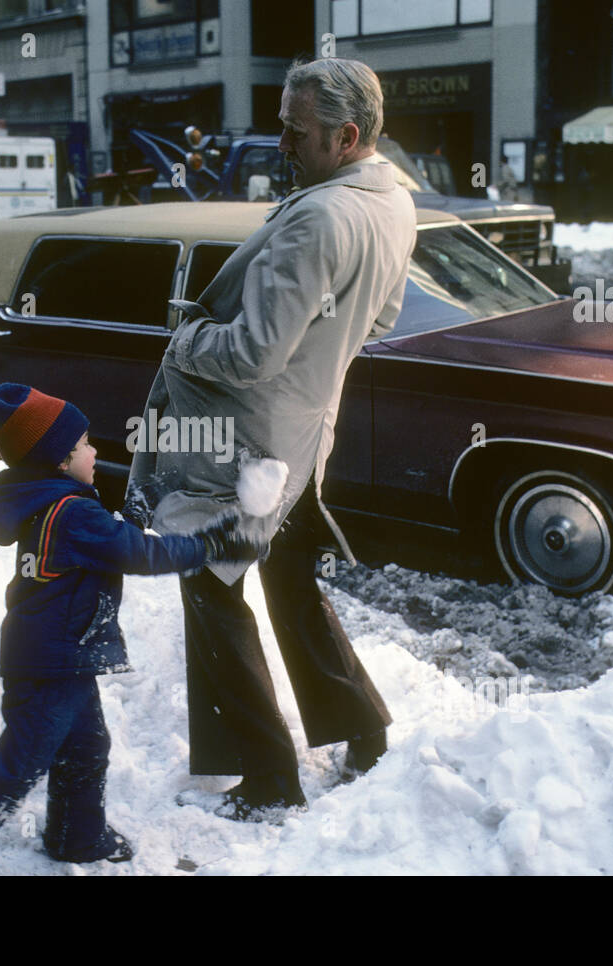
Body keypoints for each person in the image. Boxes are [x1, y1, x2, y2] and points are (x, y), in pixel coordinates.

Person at [125, 58, 415, 820]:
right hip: (301, 435)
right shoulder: (391, 201)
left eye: (296, 130)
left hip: (243, 447)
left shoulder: (322, 216)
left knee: (209, 586)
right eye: (282, 122)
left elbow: (251, 354)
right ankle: (363, 728)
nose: (281, 141)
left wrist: (186, 340)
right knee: (288, 579)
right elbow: (378, 323)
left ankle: (269, 779)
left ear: (346, 135)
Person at [0, 383, 262, 875]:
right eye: (84, 445)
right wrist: (211, 544)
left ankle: (75, 835)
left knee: (87, 748)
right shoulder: (72, 511)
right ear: (58, 460)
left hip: (58, 657)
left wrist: (134, 515)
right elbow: (138, 554)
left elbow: (110, 541)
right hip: (52, 662)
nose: (95, 451)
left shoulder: (50, 502)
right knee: (19, 764)